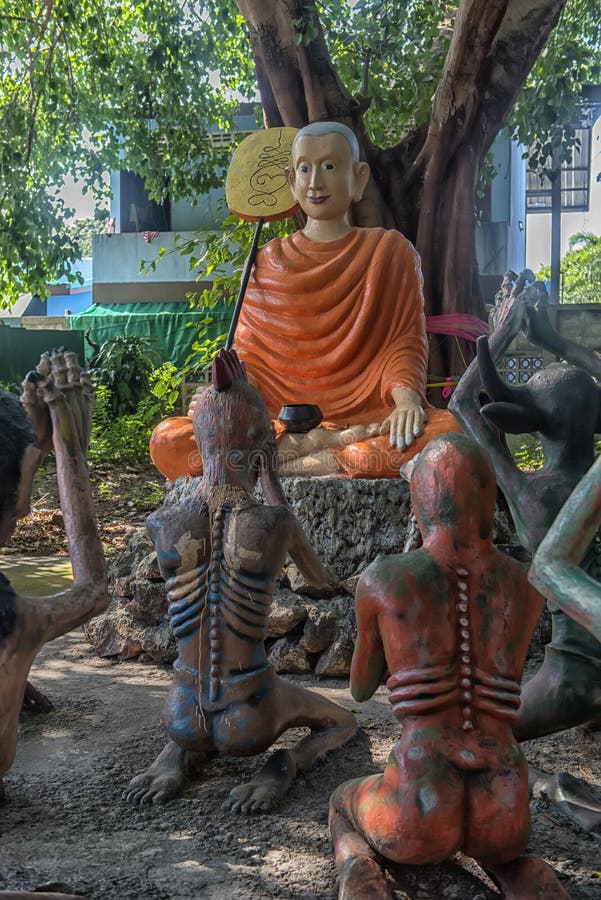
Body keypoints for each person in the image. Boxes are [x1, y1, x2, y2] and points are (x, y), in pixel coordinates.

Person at [329, 433, 568, 900]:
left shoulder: (384, 578)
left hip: (420, 795)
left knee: (342, 800)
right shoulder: (526, 583)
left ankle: (357, 871)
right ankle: (522, 873)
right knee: (501, 845)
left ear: (420, 504)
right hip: (504, 795)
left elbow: (359, 690)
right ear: (487, 503)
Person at [150, 122, 458, 481]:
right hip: (278, 425)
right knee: (168, 440)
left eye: (329, 166)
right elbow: (252, 362)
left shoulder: (389, 251)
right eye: (304, 168)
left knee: (451, 432)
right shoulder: (265, 262)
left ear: (358, 178)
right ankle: (333, 451)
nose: (315, 182)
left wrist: (406, 400)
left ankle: (292, 461)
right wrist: (223, 397)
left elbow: (402, 344)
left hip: (367, 418)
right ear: (291, 180)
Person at [124, 350, 356, 810]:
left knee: (191, 686)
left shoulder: (163, 523)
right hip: (250, 714)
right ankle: (282, 766)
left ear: (198, 445)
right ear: (262, 451)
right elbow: (320, 580)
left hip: (182, 709)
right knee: (343, 721)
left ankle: (176, 754)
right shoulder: (273, 523)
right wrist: (271, 480)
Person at [0, 351, 108, 804]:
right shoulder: (17, 623)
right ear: (27, 475)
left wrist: (32, 442)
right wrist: (69, 446)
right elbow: (93, 588)